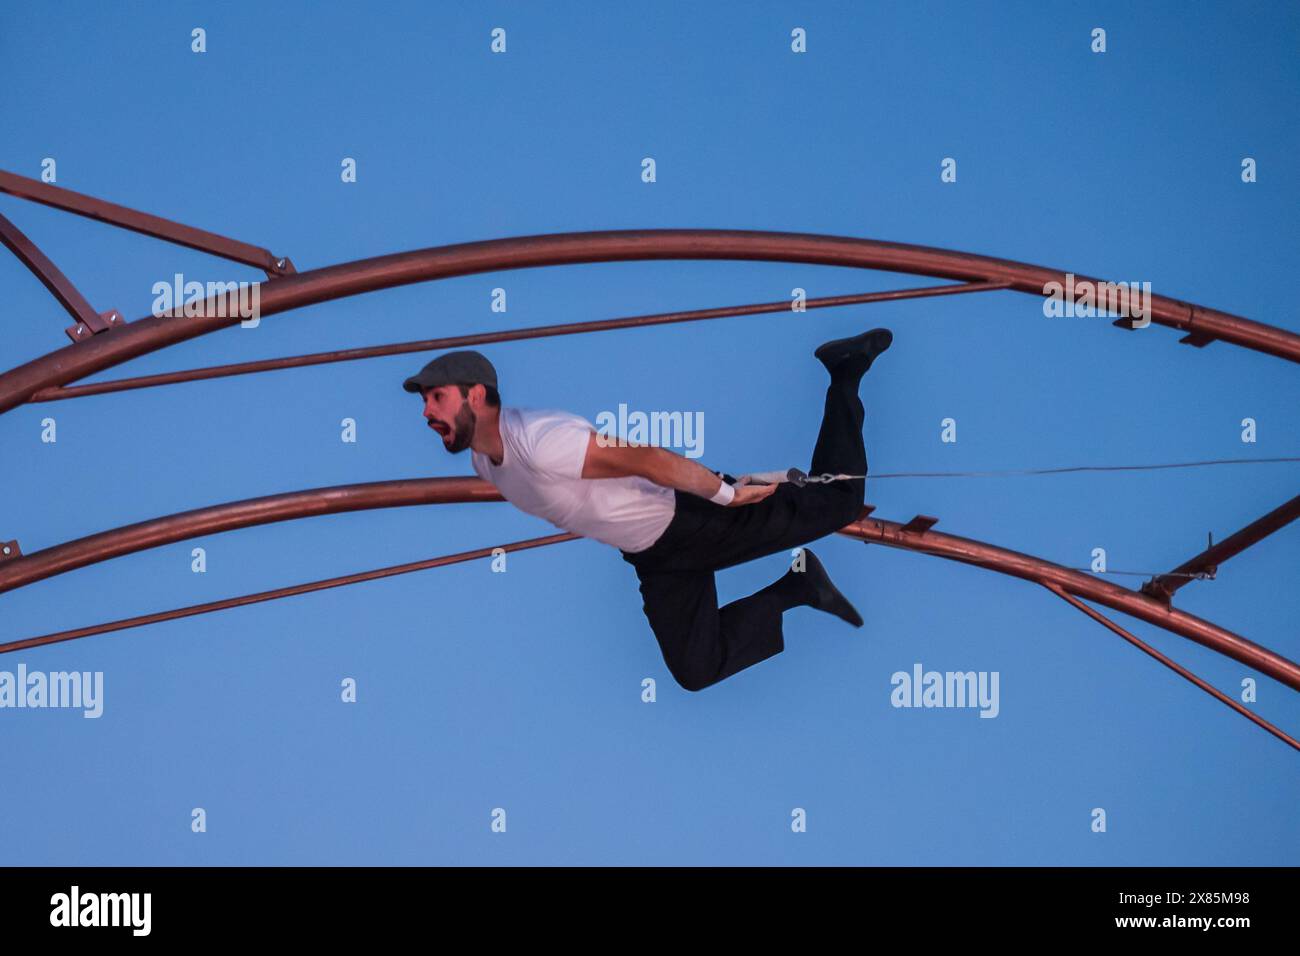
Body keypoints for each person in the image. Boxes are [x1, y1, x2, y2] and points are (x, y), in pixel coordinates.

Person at [402, 327, 892, 692]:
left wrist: (725, 494)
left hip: (694, 520)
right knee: (696, 670)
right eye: (426, 402)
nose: (427, 413)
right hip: (653, 555)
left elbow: (648, 459)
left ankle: (845, 371)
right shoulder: (483, 461)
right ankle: (799, 587)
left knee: (839, 502)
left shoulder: (542, 439)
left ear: (477, 394)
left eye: (437, 399)